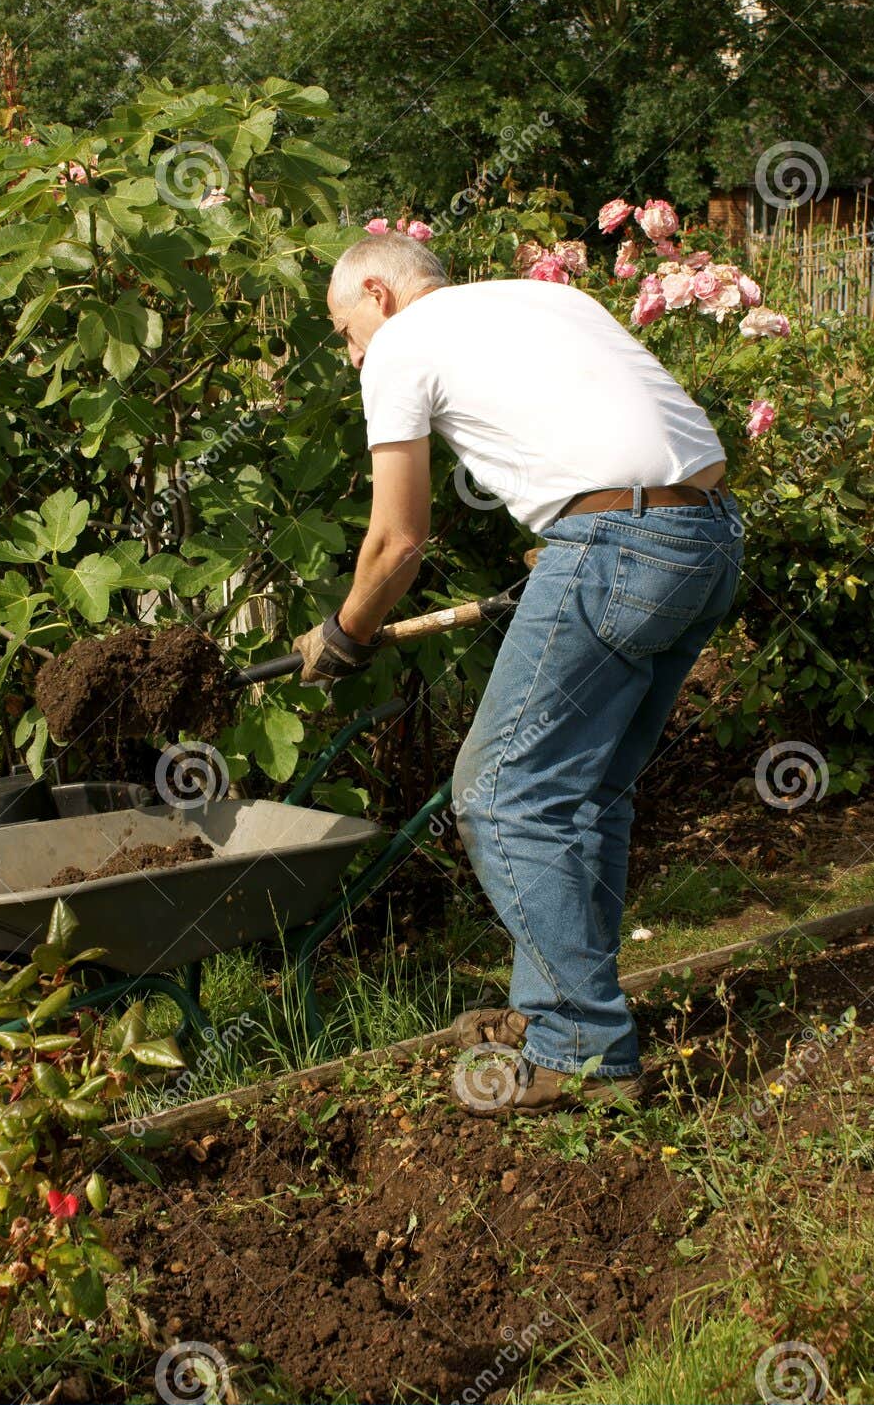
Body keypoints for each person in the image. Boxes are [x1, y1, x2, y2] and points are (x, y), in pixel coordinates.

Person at [293, 232, 744, 1113]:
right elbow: (622, 431)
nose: (351, 352)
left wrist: (343, 635)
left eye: (344, 329)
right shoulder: (545, 301)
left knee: (499, 794)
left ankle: (582, 1044)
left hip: (616, 545)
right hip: (707, 538)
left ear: (377, 293)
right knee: (584, 796)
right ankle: (558, 1018)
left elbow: (398, 539)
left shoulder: (400, 345)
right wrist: (582, 544)